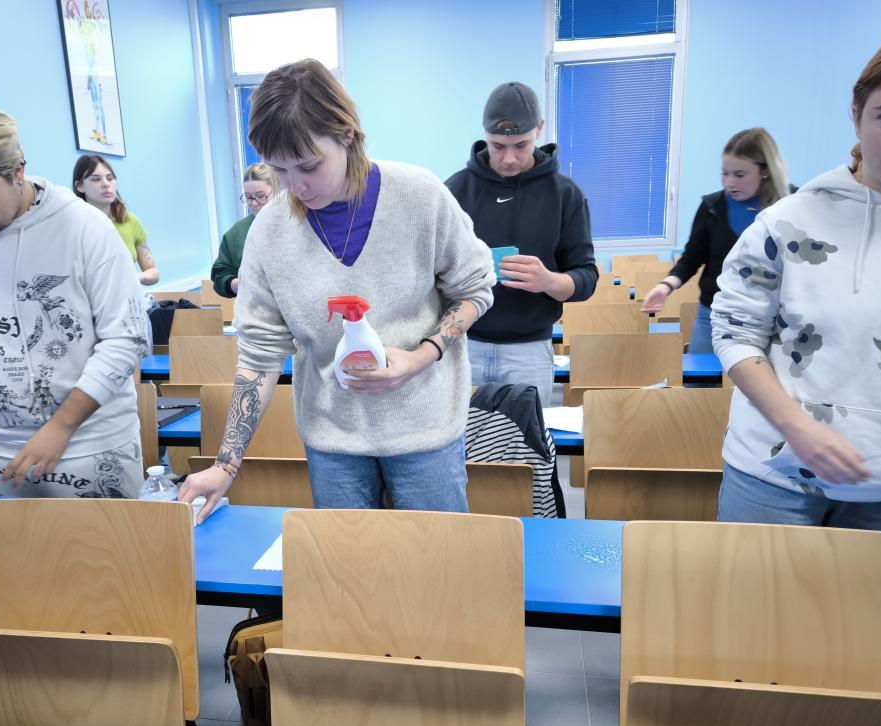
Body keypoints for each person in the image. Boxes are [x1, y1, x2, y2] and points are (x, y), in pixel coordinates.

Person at [179, 59, 495, 521]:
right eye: (279, 170)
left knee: (437, 573)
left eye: (308, 165)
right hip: (334, 441)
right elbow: (259, 358)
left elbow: (475, 290)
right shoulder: (268, 233)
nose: (297, 186)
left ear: (347, 134)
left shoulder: (420, 196)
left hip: (425, 431)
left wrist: (421, 356)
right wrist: (226, 464)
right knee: (348, 577)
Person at [711, 26, 881, 531]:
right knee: (755, 609)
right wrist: (799, 428)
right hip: (776, 472)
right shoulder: (789, 221)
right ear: (857, 117)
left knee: (862, 613)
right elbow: (735, 331)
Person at [0, 96, 150, 498]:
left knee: (108, 561)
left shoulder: (85, 227)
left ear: (17, 171)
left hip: (92, 445)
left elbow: (126, 339)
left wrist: (60, 427)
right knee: (18, 561)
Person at [445, 81, 598, 407]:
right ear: (485, 135)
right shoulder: (455, 191)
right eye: (498, 146)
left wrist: (550, 281)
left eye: (521, 145)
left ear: (539, 129)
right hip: (463, 344)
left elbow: (587, 277)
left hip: (529, 350)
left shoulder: (565, 194)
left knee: (525, 453)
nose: (509, 158)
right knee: (457, 452)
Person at [641, 128, 791, 353]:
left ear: (766, 171)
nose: (729, 182)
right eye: (725, 173)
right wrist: (665, 286)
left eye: (739, 175)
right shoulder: (712, 207)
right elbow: (691, 259)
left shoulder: (791, 207)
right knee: (700, 387)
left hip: (773, 322)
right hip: (714, 315)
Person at [72, 154, 159, 286]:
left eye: (110, 178)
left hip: (128, 300)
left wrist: (134, 277)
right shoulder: (72, 225)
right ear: (80, 186)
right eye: (96, 179)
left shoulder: (130, 220)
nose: (106, 184)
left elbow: (153, 272)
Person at [211, 163, 278, 297]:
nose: (253, 203)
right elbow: (220, 275)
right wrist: (239, 284)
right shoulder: (236, 234)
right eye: (248, 197)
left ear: (277, 191)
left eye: (260, 196)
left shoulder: (297, 223)